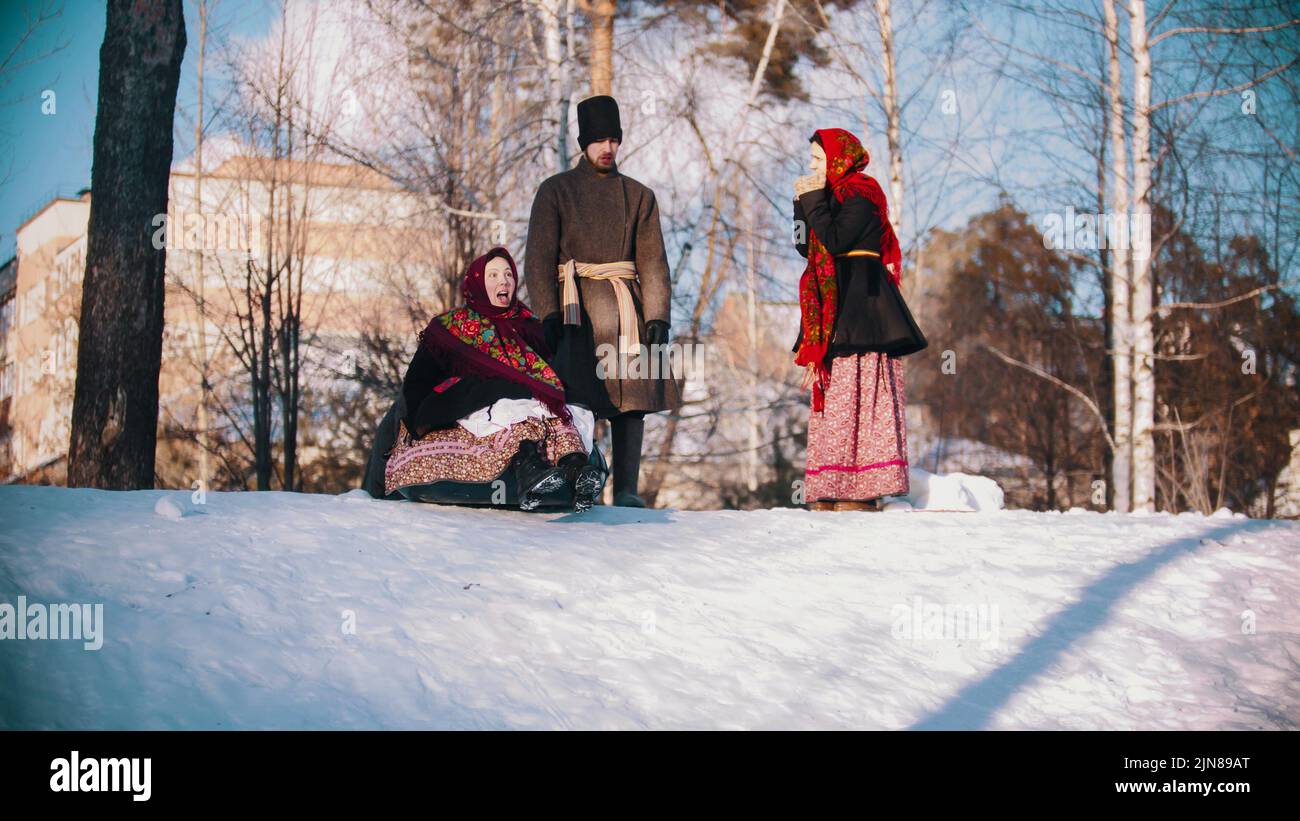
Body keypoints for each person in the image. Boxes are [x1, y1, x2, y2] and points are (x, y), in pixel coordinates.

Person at [524, 94, 682, 508]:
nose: (607, 148)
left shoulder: (640, 195)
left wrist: (659, 316)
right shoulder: (555, 191)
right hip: (576, 313)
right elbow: (538, 259)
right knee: (580, 400)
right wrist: (548, 314)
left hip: (628, 310)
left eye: (614, 139)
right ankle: (579, 481)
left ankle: (627, 489)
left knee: (632, 403)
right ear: (583, 142)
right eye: (599, 140)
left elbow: (653, 262)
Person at [363, 247, 607, 512]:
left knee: (558, 413)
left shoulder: (531, 328)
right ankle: (529, 470)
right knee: (516, 413)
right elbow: (418, 381)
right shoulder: (452, 327)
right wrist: (414, 420)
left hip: (533, 403)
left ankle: (577, 472)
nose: (503, 281)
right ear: (478, 282)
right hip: (475, 404)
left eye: (508, 275)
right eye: (493, 275)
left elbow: (552, 376)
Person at [792, 128, 927, 512]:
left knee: (863, 392)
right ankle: (831, 486)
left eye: (818, 160)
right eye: (812, 162)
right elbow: (806, 244)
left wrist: (813, 198)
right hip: (832, 305)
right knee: (835, 398)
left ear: (838, 159)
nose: (813, 168)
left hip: (863, 304)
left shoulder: (861, 194)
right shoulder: (830, 196)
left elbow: (835, 240)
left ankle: (863, 487)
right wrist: (800, 204)